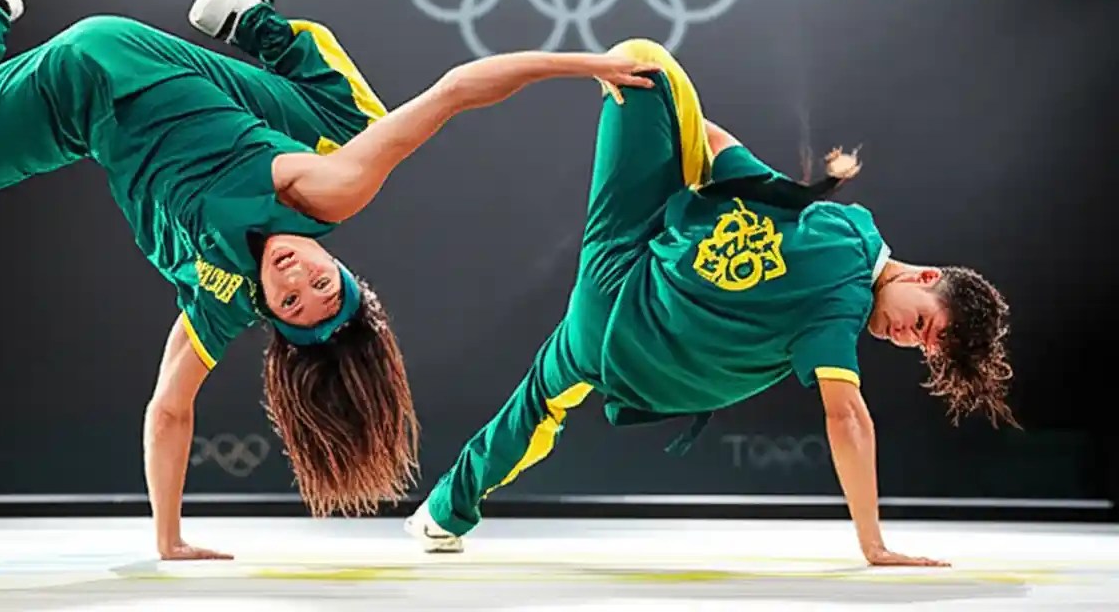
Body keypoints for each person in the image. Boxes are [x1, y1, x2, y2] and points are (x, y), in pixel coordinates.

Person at [0, 0, 662, 561]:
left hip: (90, 90)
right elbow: (455, 91)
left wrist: (167, 536)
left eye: (291, 301)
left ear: (269, 316)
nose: (300, 275)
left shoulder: (217, 307)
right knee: (363, 134)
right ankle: (19, 15)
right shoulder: (324, 194)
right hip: (126, 73)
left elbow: (170, 409)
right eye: (327, 284)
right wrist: (586, 64)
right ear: (349, 273)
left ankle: (177, 18)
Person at [404, 39, 1015, 567]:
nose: (911, 338)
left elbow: (847, 414)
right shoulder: (842, 256)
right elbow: (847, 420)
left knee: (644, 65)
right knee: (538, 402)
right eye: (927, 324)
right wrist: (872, 544)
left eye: (925, 348)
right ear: (927, 276)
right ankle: (440, 514)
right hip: (631, 282)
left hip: (623, 283)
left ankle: (442, 514)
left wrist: (682, 139)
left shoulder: (840, 287)